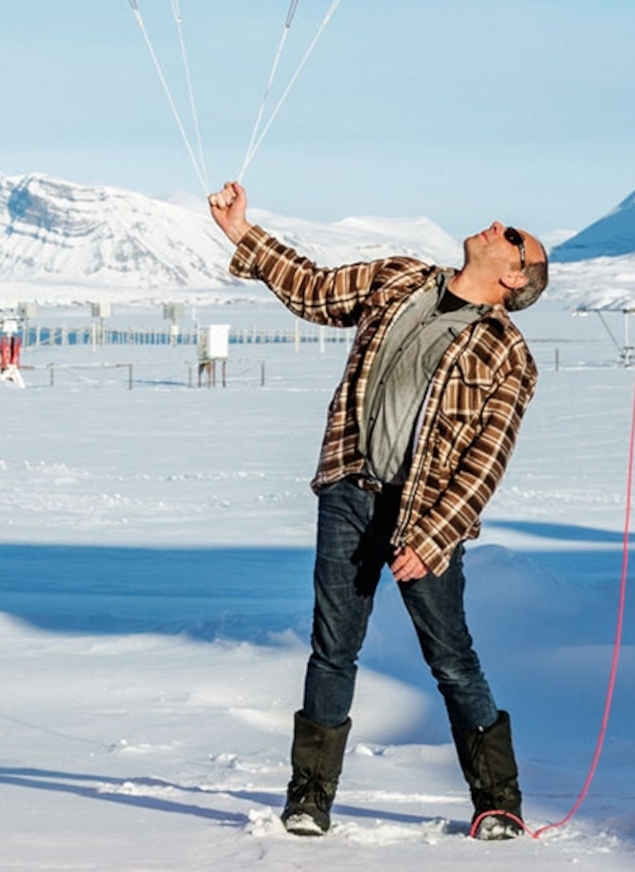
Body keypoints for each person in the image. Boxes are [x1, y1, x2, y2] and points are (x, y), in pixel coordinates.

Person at [209, 179, 549, 841]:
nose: (498, 224)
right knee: (332, 650)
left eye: (513, 236)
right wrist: (241, 232)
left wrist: (435, 537)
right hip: (349, 490)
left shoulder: (509, 355)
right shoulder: (399, 279)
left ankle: (497, 802)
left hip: (425, 517)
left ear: (514, 277)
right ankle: (309, 798)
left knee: (452, 660)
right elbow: (312, 288)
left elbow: (485, 464)